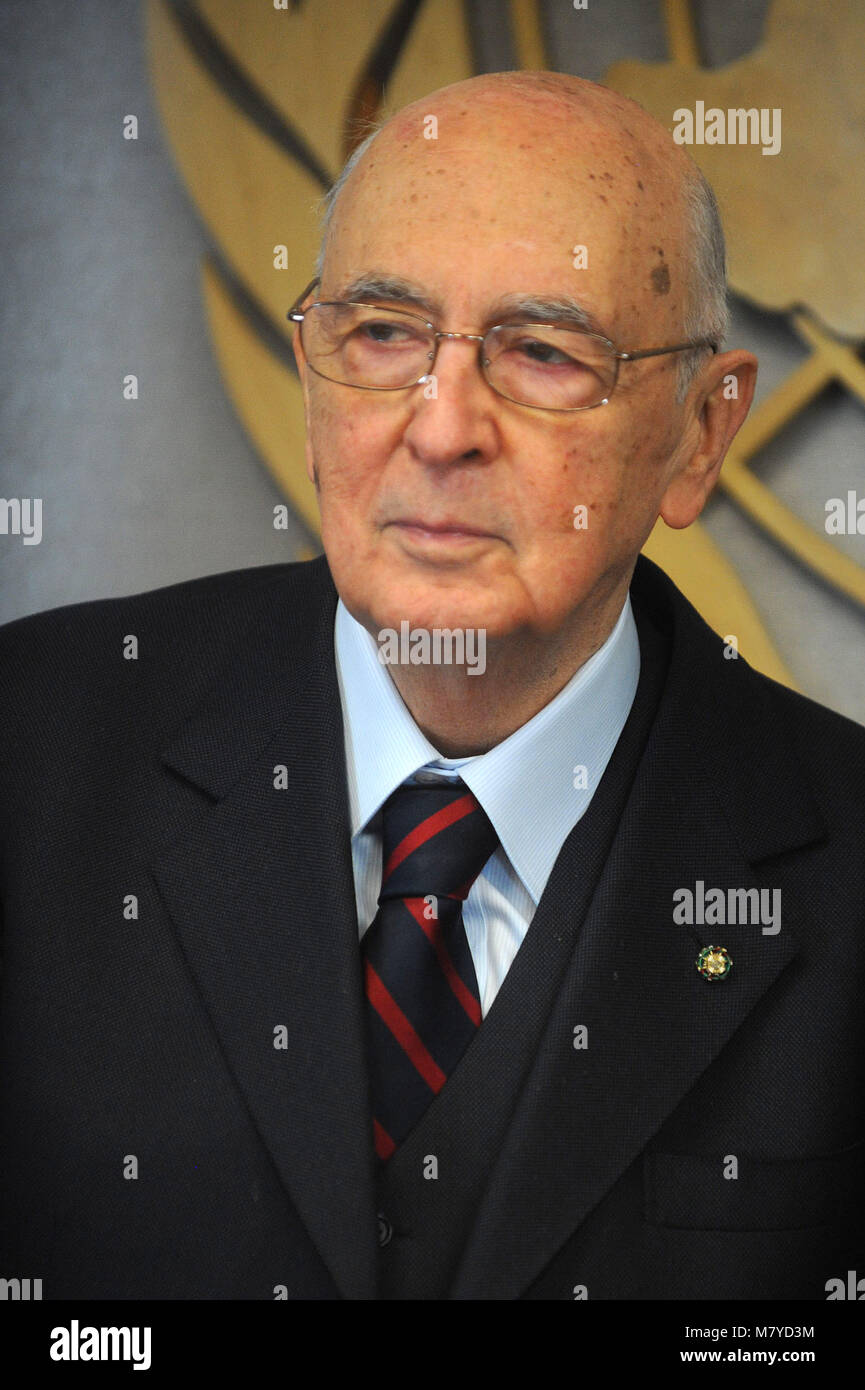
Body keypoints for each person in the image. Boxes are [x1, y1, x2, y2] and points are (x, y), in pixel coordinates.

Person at [0, 71, 862, 1302]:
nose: (441, 425)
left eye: (545, 351)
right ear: (312, 376)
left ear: (698, 434)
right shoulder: (28, 752)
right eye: (384, 334)